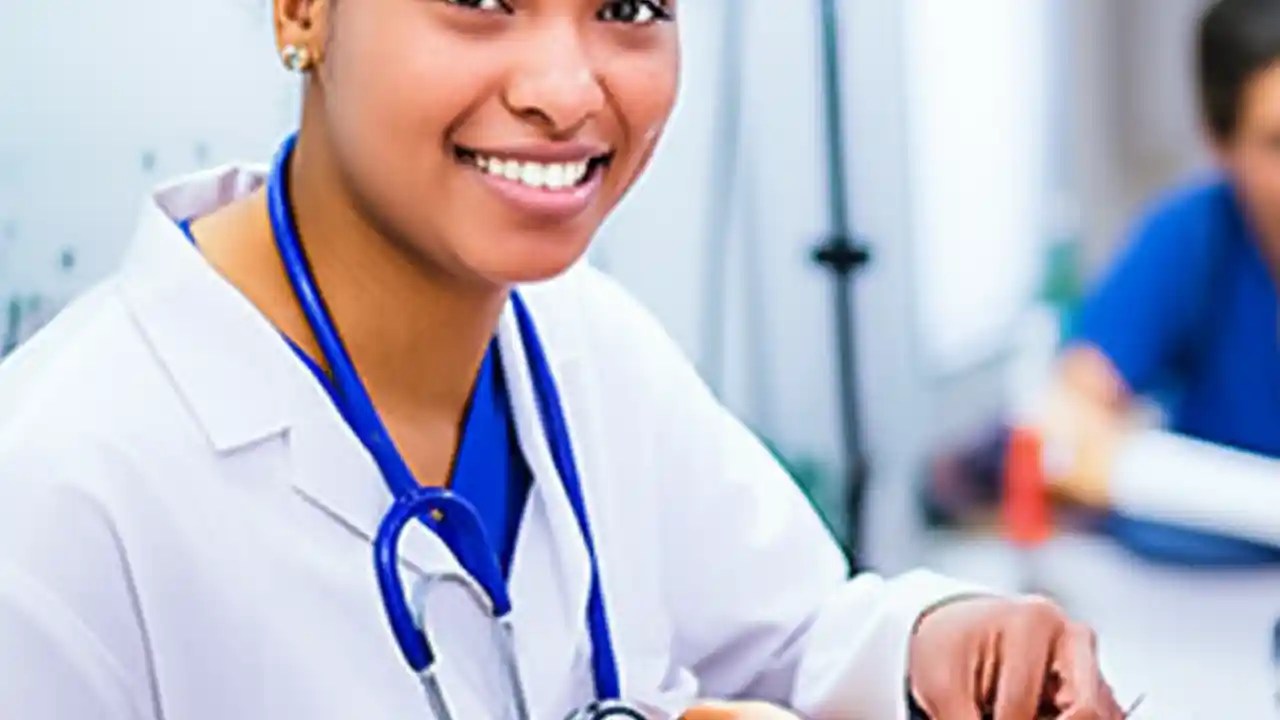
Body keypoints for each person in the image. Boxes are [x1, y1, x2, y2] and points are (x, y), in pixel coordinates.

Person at [0, 0, 1125, 717]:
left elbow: (792, 635)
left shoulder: (583, 341)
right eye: (483, 0)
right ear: (303, 10)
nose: (568, 87)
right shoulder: (57, 486)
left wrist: (939, 649)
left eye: (628, 6)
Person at [1046, 0, 1280, 561]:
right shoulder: (1193, 238)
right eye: (1279, 144)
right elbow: (1064, 431)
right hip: (1224, 604)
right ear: (1219, 146)